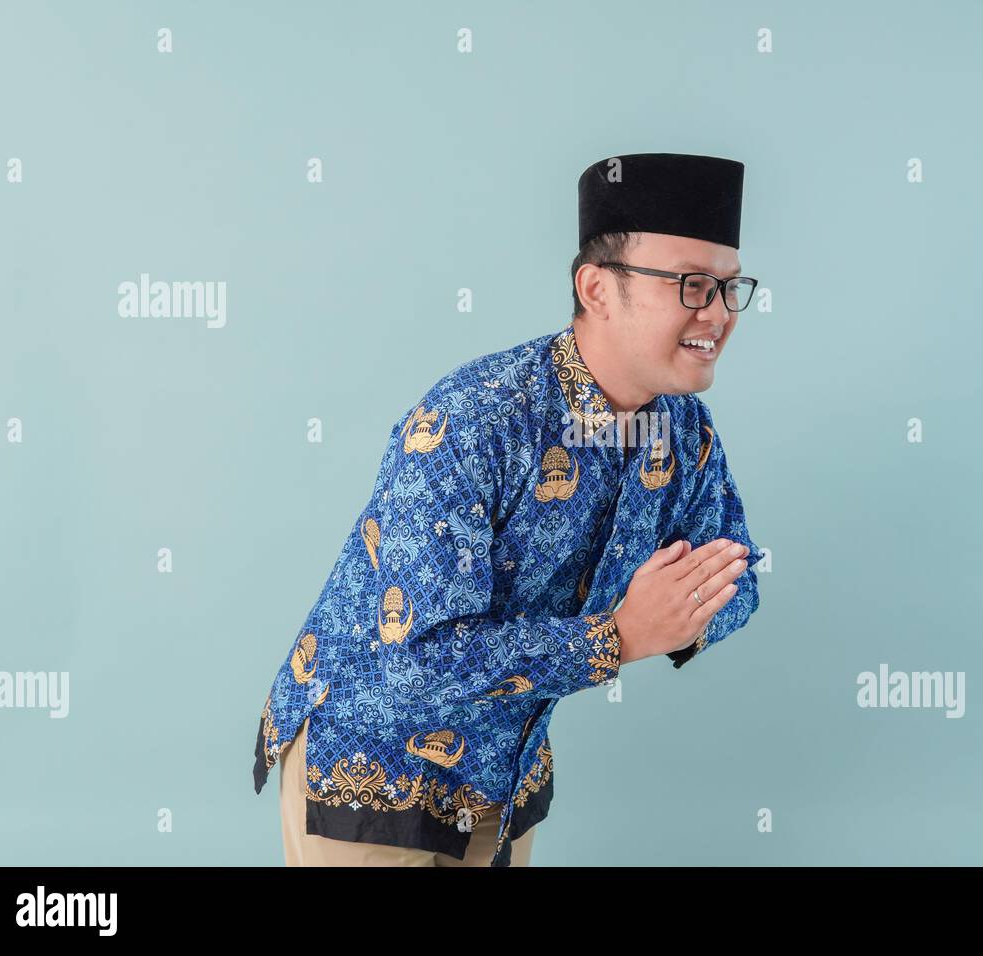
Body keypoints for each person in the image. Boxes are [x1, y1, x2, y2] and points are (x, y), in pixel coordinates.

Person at [252, 152, 764, 867]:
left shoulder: (683, 431)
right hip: (365, 768)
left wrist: (671, 614)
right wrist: (615, 635)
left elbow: (738, 576)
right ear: (598, 288)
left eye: (729, 288)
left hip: (504, 773)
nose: (716, 313)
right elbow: (419, 655)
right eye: (691, 285)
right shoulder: (477, 418)